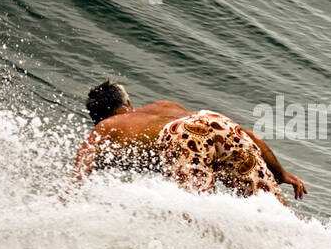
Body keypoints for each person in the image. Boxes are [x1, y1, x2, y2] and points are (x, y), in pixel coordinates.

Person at [70, 80, 307, 206]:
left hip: (181, 135)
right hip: (214, 121)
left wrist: (70, 200)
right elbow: (246, 132)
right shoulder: (166, 106)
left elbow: (80, 169)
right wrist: (281, 173)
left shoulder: (106, 128)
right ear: (128, 102)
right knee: (270, 208)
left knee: (197, 211)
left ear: (98, 117)